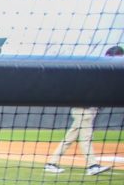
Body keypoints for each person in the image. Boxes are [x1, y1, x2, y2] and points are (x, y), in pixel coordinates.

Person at [44, 44, 122, 176]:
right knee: (86, 137)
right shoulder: (100, 69)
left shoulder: (104, 70)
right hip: (84, 109)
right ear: (110, 56)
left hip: (86, 108)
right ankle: (92, 166)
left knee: (70, 137)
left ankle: (51, 163)